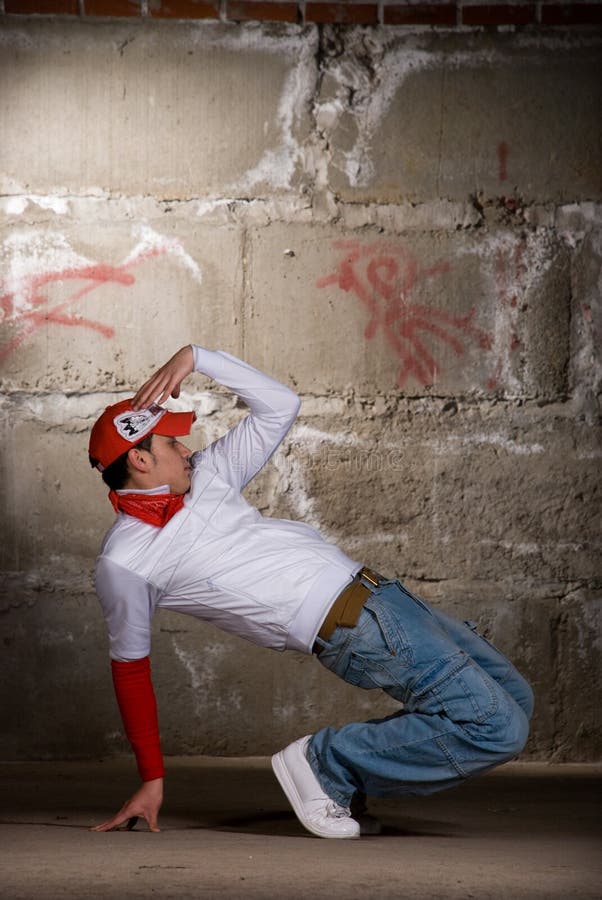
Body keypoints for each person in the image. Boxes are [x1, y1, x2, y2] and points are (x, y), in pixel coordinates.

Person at [88, 343, 534, 838]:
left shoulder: (208, 476)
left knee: (513, 698)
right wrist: (152, 777)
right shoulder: (125, 561)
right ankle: (324, 763)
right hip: (352, 629)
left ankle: (346, 778)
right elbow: (130, 668)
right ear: (141, 460)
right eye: (173, 445)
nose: (188, 449)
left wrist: (197, 358)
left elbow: (280, 404)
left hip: (384, 596)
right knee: (497, 727)